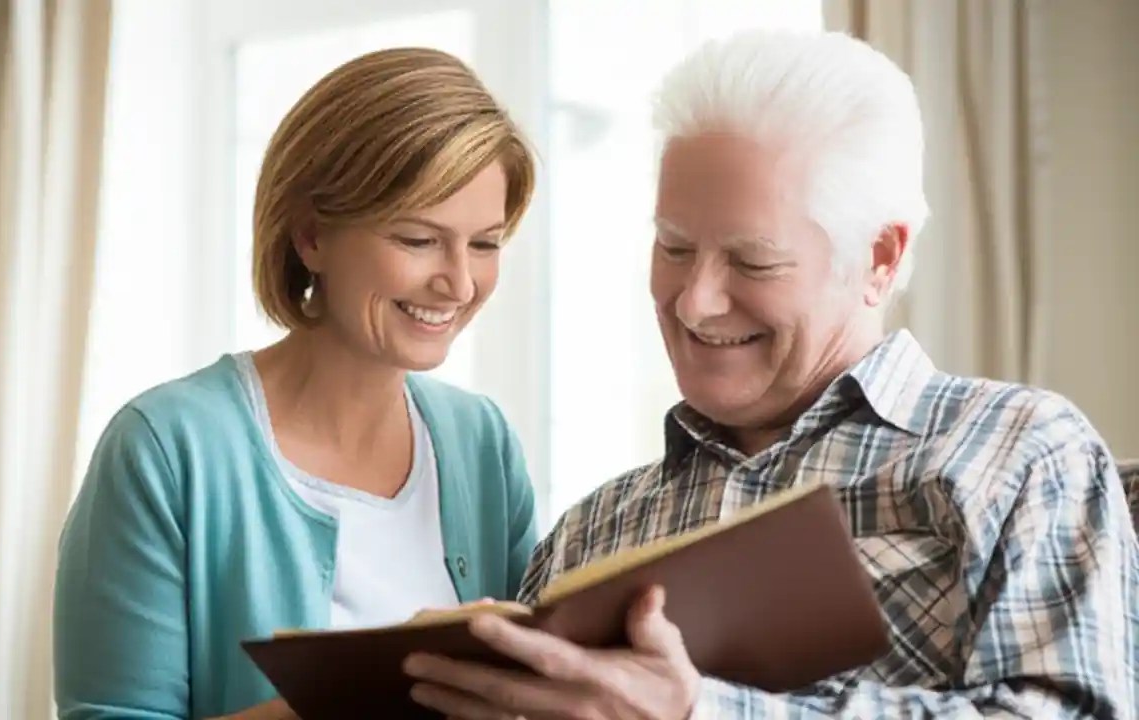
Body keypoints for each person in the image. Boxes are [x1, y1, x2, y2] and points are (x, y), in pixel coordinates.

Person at [401, 30, 1139, 719]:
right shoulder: (590, 532)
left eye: (754, 261)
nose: (695, 301)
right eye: (674, 248)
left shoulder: (1017, 453)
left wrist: (704, 712)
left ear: (879, 258)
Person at [53, 47, 540, 720]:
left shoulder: (484, 444)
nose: (459, 283)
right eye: (418, 239)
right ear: (311, 235)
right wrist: (377, 687)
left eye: (484, 244)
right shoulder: (166, 449)